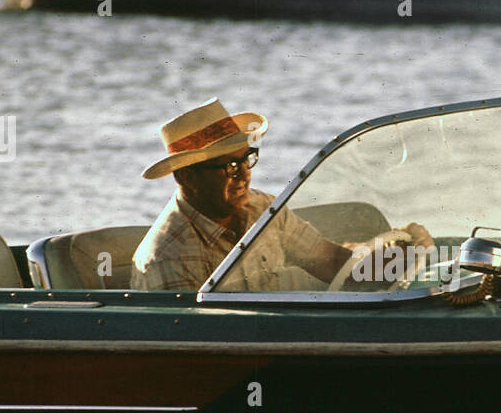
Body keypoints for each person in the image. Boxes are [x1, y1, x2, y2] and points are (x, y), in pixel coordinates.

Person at [131, 99, 431, 292]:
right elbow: (197, 345)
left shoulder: (262, 208)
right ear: (185, 176)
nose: (242, 174)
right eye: (227, 166)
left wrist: (400, 257)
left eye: (246, 159)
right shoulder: (168, 256)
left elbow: (331, 262)